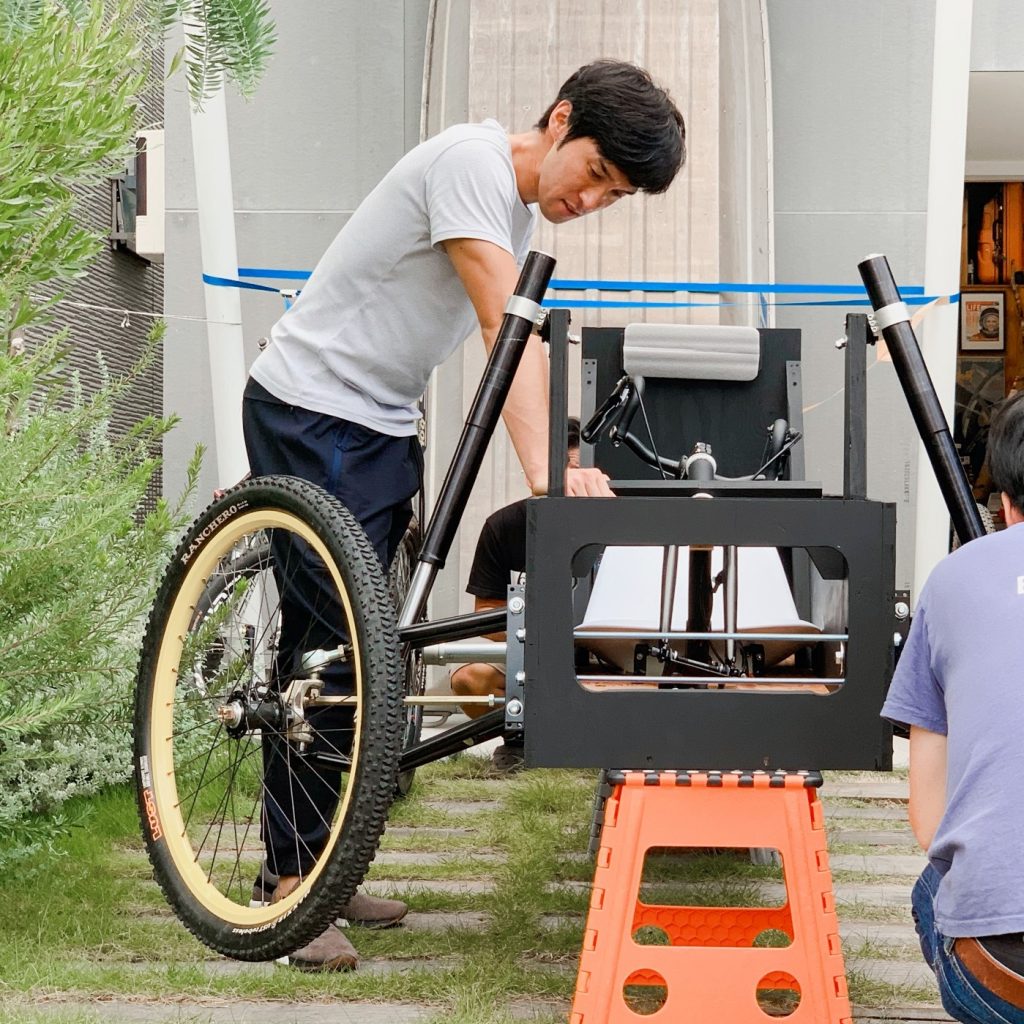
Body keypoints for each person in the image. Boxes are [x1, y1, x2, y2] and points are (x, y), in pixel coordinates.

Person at [241, 60, 686, 970]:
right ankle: (290, 888)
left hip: (375, 426)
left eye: (615, 197)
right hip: (312, 410)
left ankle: (326, 864)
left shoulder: (515, 206)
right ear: (560, 119)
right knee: (332, 647)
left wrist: (557, 461)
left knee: (376, 646)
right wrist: (547, 476)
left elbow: (519, 340)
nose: (593, 201)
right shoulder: (473, 166)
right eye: (597, 173)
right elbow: (502, 329)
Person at [881, 391, 1024, 1023]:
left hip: (999, 970)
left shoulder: (954, 578)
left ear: (1005, 503)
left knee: (934, 887)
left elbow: (927, 813)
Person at [451, 419, 581, 773]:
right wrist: (537, 638)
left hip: (599, 658)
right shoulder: (503, 527)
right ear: (532, 476)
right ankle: (520, 739)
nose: (567, 482)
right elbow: (485, 613)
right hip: (531, 656)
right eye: (559, 472)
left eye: (575, 471)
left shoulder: (613, 523)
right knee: (468, 680)